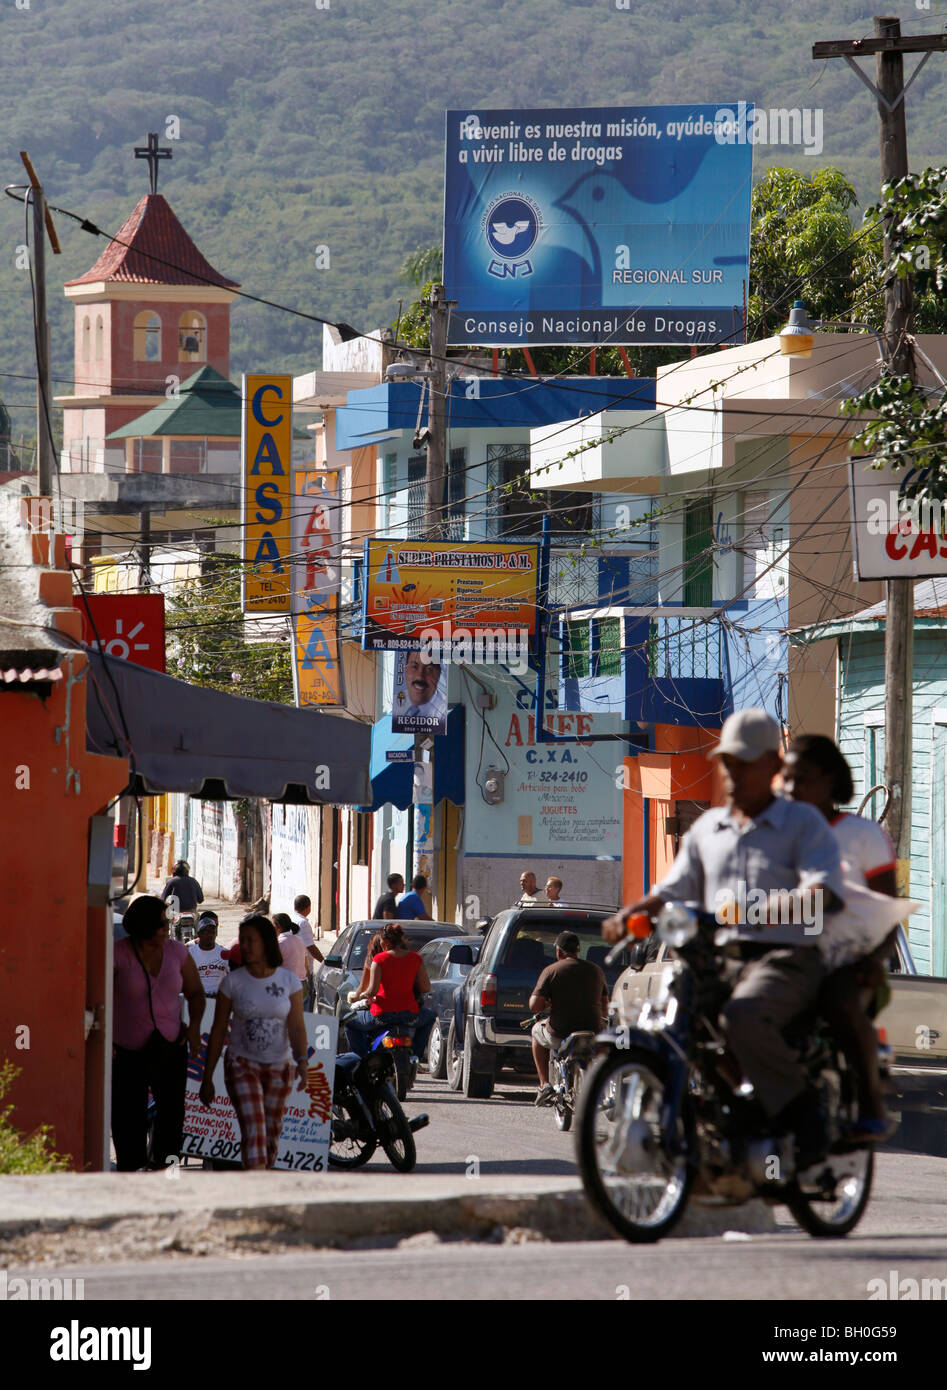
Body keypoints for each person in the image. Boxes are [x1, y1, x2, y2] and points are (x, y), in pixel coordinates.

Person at [603, 707, 846, 1165]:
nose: (733, 773)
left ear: (774, 766)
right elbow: (672, 889)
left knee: (743, 1014)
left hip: (786, 958)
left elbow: (824, 888)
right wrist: (633, 913)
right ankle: (723, 1113)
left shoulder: (802, 824)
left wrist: (775, 907)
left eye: (746, 762)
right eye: (728, 762)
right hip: (716, 956)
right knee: (676, 1024)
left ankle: (803, 1114)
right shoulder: (707, 829)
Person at [781, 734, 899, 1138]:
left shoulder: (863, 836)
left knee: (839, 999)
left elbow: (888, 914)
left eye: (804, 779)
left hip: (850, 963)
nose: (792, 789)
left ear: (830, 781)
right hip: (789, 959)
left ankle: (871, 1105)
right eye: (787, 779)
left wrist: (872, 960)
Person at [199, 914, 308, 1170]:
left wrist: (302, 1061)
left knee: (270, 1134)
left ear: (266, 943)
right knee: (255, 1130)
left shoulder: (289, 982)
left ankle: (259, 1179)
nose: (244, 946)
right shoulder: (232, 983)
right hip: (241, 1066)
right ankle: (256, 1193)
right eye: (243, 940)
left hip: (280, 1069)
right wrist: (207, 1077)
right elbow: (217, 1032)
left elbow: (296, 1026)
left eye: (250, 940)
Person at [112, 895, 205, 1171]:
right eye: (161, 924)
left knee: (172, 1111)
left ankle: (164, 1168)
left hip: (170, 1044)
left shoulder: (178, 952)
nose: (167, 928)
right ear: (143, 927)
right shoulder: (118, 953)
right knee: (127, 1113)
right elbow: (96, 997)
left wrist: (195, 1026)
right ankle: (130, 1167)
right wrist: (105, 1040)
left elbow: (196, 993)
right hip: (126, 1048)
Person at [530, 931, 608, 1106]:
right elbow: (605, 1005)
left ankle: (544, 1084)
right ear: (578, 951)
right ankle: (601, 1081)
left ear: (558, 952)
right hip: (592, 1033)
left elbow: (534, 1005)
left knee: (536, 1032)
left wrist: (547, 1004)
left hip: (560, 1033)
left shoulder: (551, 971)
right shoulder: (596, 970)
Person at [347, 922, 437, 1061]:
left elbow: (372, 991)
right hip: (410, 1015)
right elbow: (426, 987)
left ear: (386, 942)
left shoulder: (379, 959)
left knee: (349, 1023)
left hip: (382, 1015)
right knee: (430, 1017)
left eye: (382, 942)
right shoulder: (415, 958)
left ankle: (363, 1058)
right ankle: (416, 1055)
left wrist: (361, 996)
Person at [292, 893, 324, 1008]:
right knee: (307, 1002)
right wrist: (324, 962)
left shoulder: (292, 919)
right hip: (304, 970)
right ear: (308, 908)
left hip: (293, 968)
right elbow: (311, 947)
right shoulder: (303, 923)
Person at [187, 912, 228, 998]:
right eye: (205, 931)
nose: (209, 935)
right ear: (199, 934)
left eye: (212, 931)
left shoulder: (225, 954)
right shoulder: (189, 954)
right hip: (197, 999)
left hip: (218, 999)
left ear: (216, 934)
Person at [401, 649, 446, 721]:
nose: (420, 676)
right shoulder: (397, 704)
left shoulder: (443, 713)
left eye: (429, 669)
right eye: (414, 666)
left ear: (439, 673)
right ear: (406, 669)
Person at [274, 911, 309, 1004]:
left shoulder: (279, 943)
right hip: (302, 985)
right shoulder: (300, 941)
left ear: (278, 927)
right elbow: (306, 965)